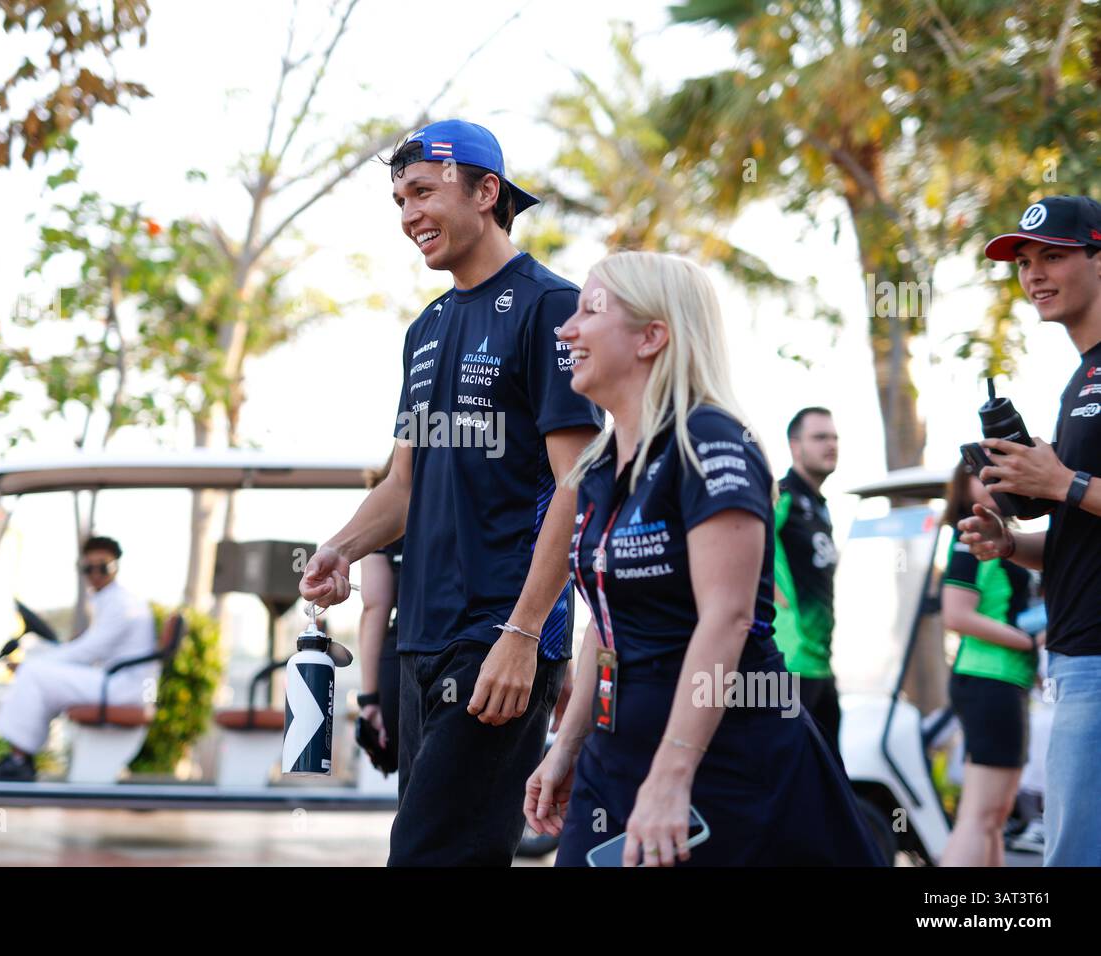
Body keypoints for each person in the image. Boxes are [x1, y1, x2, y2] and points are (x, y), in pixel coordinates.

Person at [298, 120, 603, 865]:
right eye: (400, 199)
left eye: (424, 192)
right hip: (420, 639)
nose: (408, 216)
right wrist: (339, 548)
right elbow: (403, 484)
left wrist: (525, 636)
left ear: (486, 191)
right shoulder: (425, 328)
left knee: (432, 854)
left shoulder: (550, 308)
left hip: (499, 638)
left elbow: (578, 484)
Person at [524, 251, 883, 866]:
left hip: (721, 759)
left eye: (590, 310)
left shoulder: (713, 442)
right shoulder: (602, 466)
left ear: (652, 336)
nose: (567, 328)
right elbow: (605, 623)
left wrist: (672, 772)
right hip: (616, 753)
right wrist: (567, 743)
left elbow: (728, 618)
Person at [962, 194, 1101, 866]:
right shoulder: (1079, 381)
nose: (1034, 274)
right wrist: (1010, 545)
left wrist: (1062, 484)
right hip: (1074, 658)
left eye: (1054, 256)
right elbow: (1083, 543)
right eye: (1023, 262)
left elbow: (1073, 495)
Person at [0, 536, 158, 780]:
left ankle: (18, 762)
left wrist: (34, 663)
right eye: (88, 568)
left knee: (35, 675)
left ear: (116, 567)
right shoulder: (111, 601)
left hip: (123, 687)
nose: (95, 573)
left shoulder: (122, 604)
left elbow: (89, 651)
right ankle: (20, 758)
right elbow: (85, 649)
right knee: (38, 673)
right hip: (118, 681)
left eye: (103, 567)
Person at [939, 460, 1038, 866]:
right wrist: (1028, 640)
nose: (989, 480)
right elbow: (956, 615)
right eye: (978, 473)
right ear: (963, 484)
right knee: (980, 816)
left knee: (993, 817)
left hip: (1003, 681)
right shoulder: (969, 535)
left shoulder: (1002, 535)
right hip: (987, 679)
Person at [772, 406, 842, 757]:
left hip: (821, 663)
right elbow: (733, 544)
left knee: (829, 779)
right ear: (794, 446)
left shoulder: (819, 506)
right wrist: (768, 590)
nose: (831, 445)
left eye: (833, 437)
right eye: (819, 437)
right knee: (792, 777)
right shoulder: (780, 495)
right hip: (790, 662)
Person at [356, 455, 402, 777]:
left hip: (403, 660)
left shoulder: (382, 507)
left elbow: (375, 607)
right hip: (485, 646)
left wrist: (370, 698)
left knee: (416, 791)